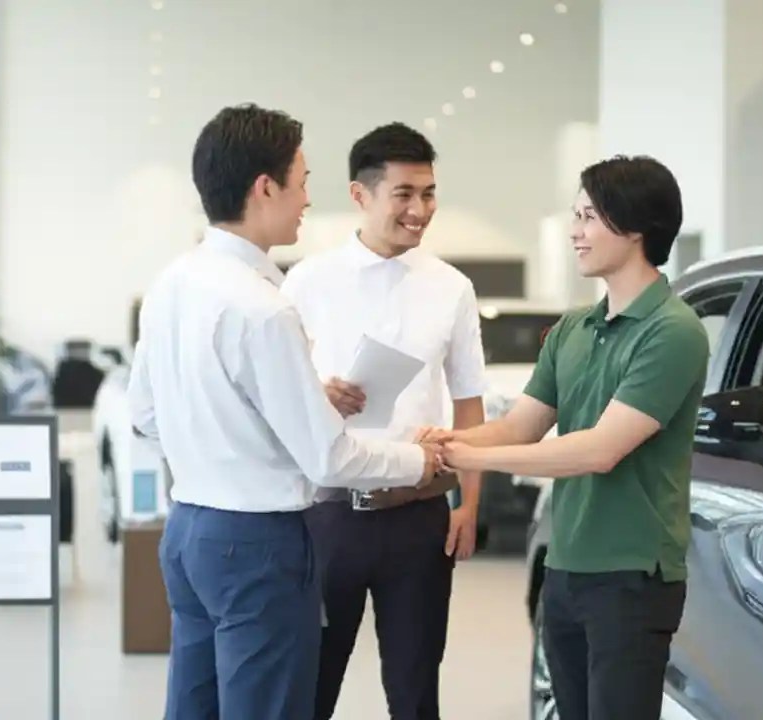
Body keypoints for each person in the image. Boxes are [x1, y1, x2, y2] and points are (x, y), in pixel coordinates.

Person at [127, 104, 443, 720]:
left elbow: (146, 413)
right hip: (258, 544)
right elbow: (329, 455)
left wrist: (241, 429)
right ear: (264, 187)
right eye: (301, 182)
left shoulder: (173, 282)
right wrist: (421, 459)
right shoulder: (262, 307)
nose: (306, 199)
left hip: (190, 529)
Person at [420, 155, 708, 720]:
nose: (575, 232)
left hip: (632, 576)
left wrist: (473, 455)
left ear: (635, 226)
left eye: (589, 217)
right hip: (566, 567)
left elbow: (599, 451)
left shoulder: (673, 332)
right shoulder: (574, 329)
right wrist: (448, 440)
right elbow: (521, 425)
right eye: (576, 216)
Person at [281, 122, 487, 720]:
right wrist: (319, 393)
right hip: (327, 518)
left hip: (419, 516)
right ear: (360, 195)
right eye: (404, 194)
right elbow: (280, 395)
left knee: (417, 692)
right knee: (311, 687)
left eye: (428, 193)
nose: (420, 209)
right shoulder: (309, 282)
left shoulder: (451, 287)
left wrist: (469, 505)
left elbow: (469, 399)